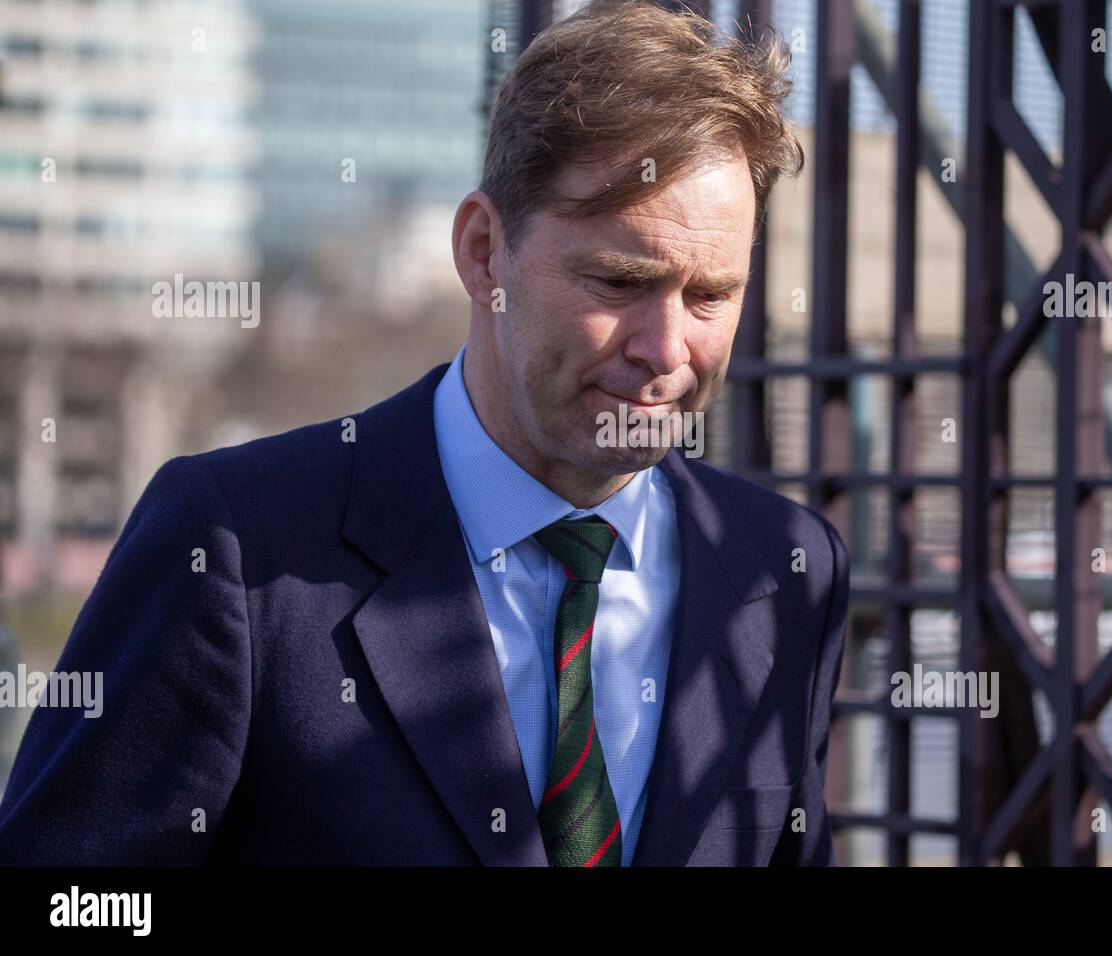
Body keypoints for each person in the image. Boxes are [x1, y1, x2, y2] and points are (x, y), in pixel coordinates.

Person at [0, 0, 847, 866]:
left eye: (711, 296)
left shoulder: (786, 570)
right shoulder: (232, 546)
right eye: (620, 282)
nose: (667, 349)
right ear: (484, 253)